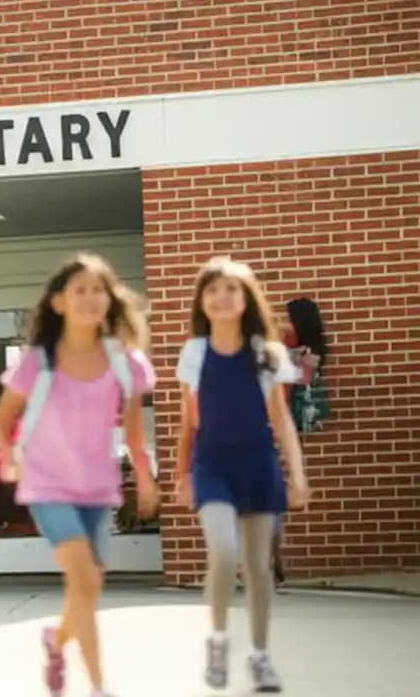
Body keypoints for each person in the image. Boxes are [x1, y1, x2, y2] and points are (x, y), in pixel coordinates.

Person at [0, 253, 158, 697]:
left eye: (98, 290)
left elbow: (135, 431)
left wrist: (144, 477)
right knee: (83, 577)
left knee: (87, 587)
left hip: (98, 486)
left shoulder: (126, 362)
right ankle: (99, 686)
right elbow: (5, 415)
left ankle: (57, 639)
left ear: (111, 299)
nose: (89, 298)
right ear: (59, 303)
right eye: (79, 290)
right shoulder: (38, 362)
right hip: (47, 484)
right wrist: (10, 453)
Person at [173, 257, 312, 693]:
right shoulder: (194, 353)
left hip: (258, 466)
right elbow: (188, 421)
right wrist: (181, 474)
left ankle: (260, 654)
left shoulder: (266, 354)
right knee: (224, 550)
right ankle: (217, 640)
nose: (221, 297)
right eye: (212, 290)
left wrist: (298, 476)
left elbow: (283, 420)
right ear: (202, 301)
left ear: (246, 298)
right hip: (213, 466)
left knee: (257, 566)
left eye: (231, 289)